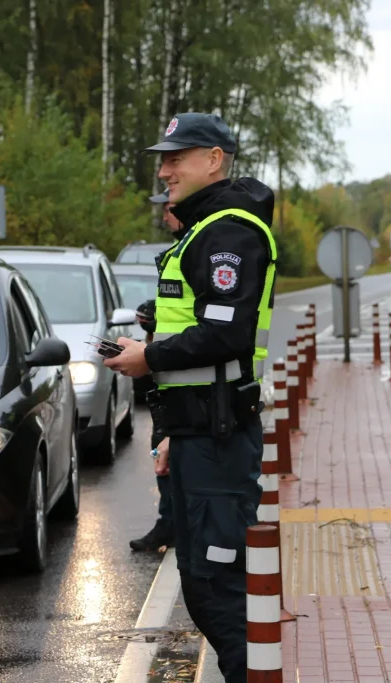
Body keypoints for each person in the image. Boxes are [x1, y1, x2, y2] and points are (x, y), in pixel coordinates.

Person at [104, 112, 277, 683]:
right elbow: (203, 338)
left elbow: (227, 334)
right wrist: (177, 430)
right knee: (209, 588)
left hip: (221, 440)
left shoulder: (229, 232)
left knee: (217, 589)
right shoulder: (205, 229)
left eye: (177, 157)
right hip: (202, 433)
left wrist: (147, 357)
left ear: (214, 160)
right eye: (164, 157)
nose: (164, 168)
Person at [128, 187, 186, 552]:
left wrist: (147, 352)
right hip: (173, 380)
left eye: (168, 208)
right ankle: (169, 522)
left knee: (169, 451)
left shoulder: (197, 248)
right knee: (160, 448)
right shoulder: (180, 251)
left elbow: (192, 317)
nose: (163, 216)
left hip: (187, 383)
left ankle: (172, 525)